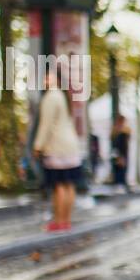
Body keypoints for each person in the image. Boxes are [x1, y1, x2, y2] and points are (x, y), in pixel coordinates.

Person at [32, 76, 84, 231]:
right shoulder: (62, 96)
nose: (46, 78)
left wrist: (38, 145)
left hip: (57, 146)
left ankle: (59, 220)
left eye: (49, 75)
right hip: (71, 146)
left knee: (58, 185)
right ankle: (66, 221)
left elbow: (46, 124)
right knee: (69, 184)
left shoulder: (51, 96)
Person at [110, 114, 131, 192]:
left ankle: (119, 185)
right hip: (120, 154)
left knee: (119, 170)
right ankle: (119, 185)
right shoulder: (122, 132)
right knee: (120, 170)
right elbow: (121, 145)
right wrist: (121, 157)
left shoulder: (115, 131)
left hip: (117, 154)